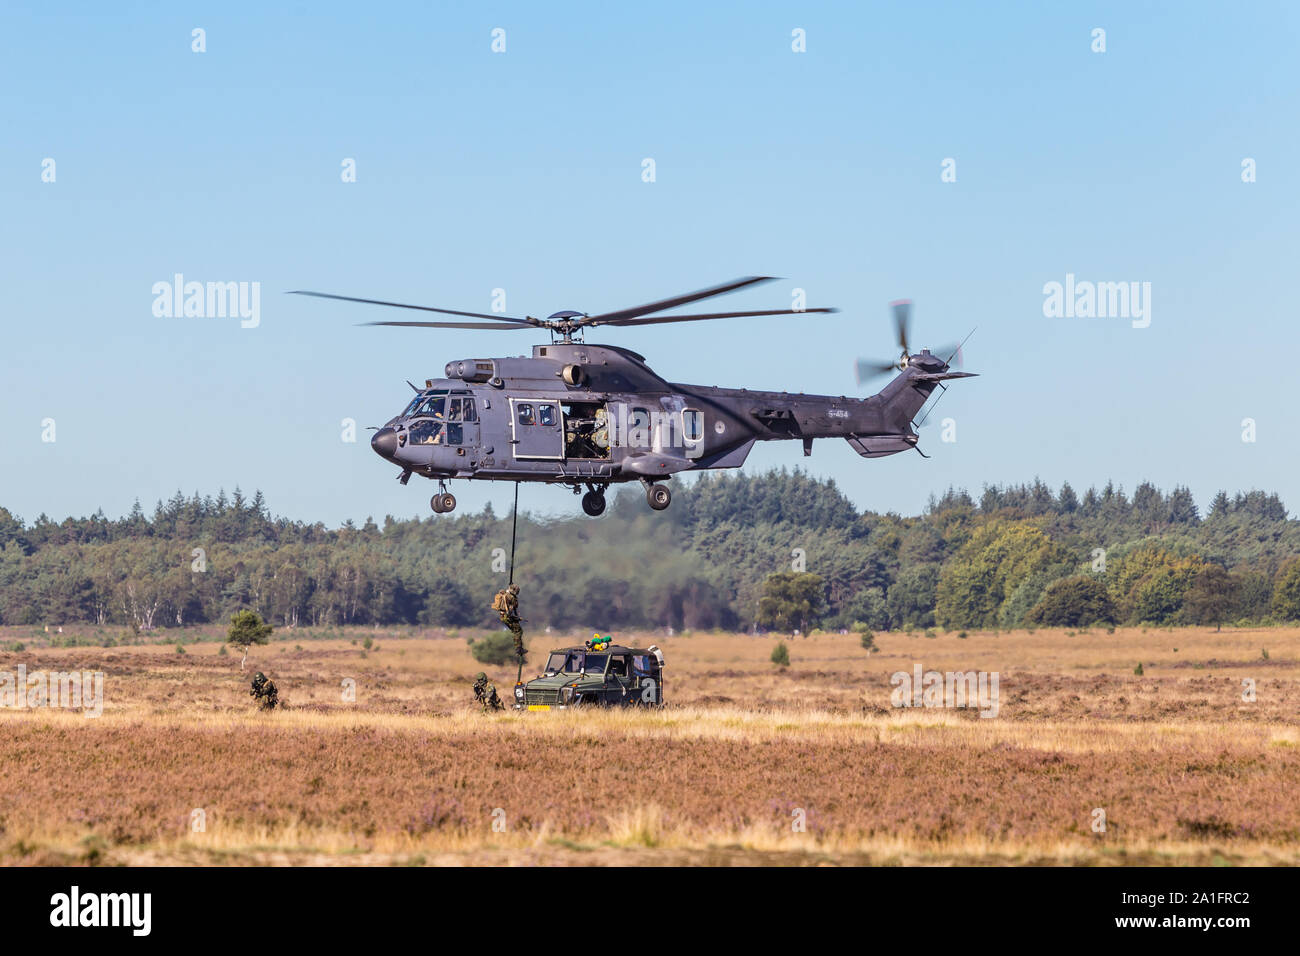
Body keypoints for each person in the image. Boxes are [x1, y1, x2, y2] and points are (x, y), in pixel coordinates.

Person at [491, 583, 526, 662]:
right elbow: (512, 610)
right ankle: (518, 648)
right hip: (507, 616)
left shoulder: (504, 594)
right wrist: (515, 617)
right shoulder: (512, 597)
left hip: (503, 616)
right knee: (518, 631)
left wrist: (516, 618)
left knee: (516, 630)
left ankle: (519, 647)